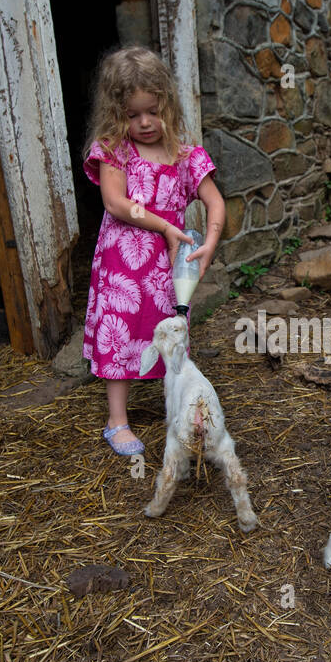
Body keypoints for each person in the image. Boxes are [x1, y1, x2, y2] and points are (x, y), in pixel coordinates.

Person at [82, 47, 225, 455]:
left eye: (152, 110)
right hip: (123, 263)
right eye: (132, 114)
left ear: (167, 103)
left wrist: (210, 240)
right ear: (116, 114)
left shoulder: (185, 152)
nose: (144, 122)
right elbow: (114, 202)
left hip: (167, 267)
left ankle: (179, 406)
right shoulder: (115, 149)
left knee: (171, 332)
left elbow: (215, 202)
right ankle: (117, 420)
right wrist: (165, 225)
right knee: (121, 329)